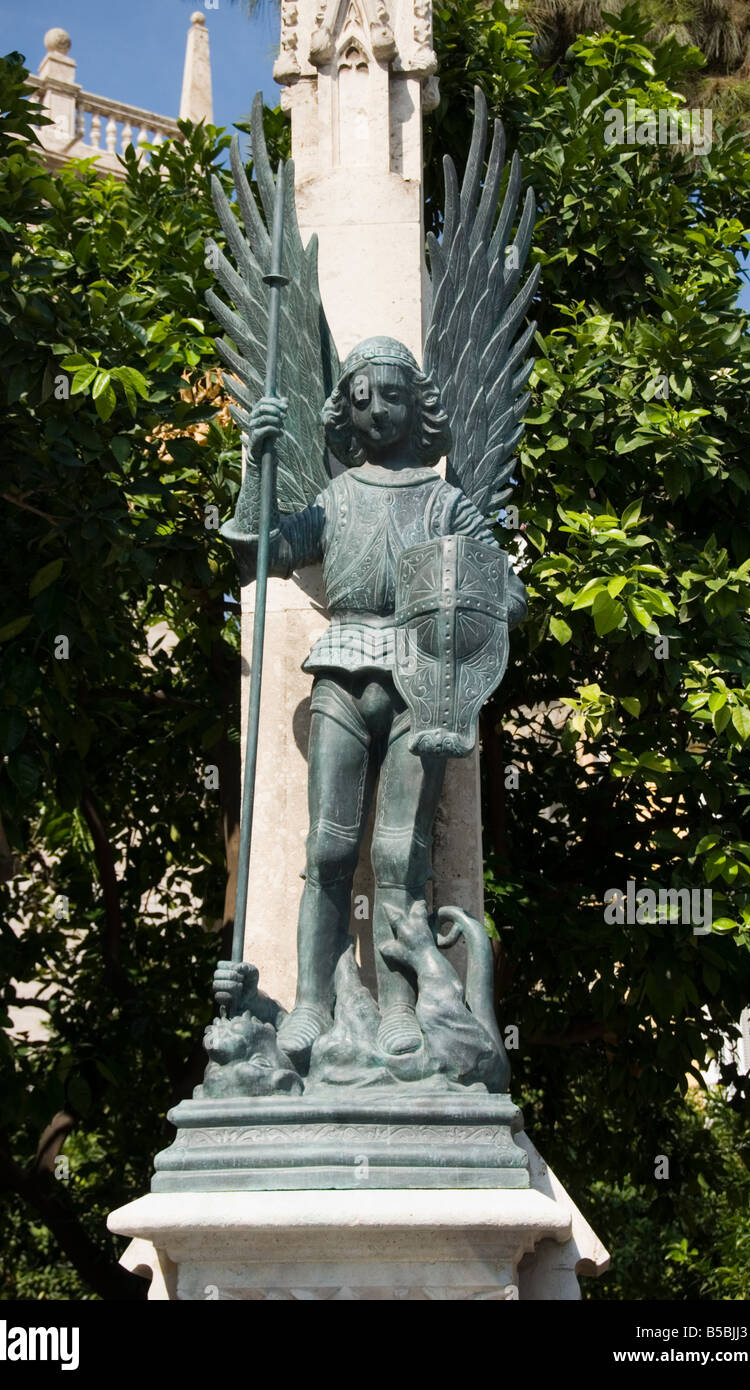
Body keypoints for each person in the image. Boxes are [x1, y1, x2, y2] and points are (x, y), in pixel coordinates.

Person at [221, 336, 525, 1061]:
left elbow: (507, 594)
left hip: (422, 681)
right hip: (343, 669)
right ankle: (311, 1002)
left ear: (417, 405)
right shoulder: (335, 498)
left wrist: (473, 599)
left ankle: (397, 1002)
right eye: (363, 399)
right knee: (327, 847)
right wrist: (255, 465)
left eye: (393, 396)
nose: (378, 411)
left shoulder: (445, 502)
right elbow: (260, 549)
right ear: (345, 412)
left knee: (399, 854)